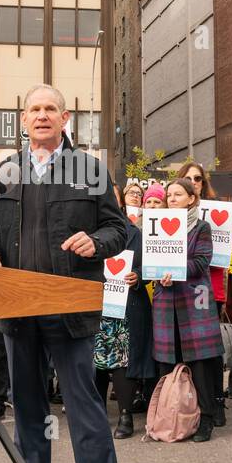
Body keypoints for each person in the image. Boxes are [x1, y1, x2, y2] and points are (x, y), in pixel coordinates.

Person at [0, 84, 129, 463]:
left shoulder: (90, 169)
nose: (42, 116)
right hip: (18, 308)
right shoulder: (6, 171)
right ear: (23, 119)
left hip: (69, 308)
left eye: (50, 109)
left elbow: (119, 228)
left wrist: (96, 243)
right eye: (34, 109)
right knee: (27, 411)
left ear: (65, 119)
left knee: (84, 411)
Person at [150, 177, 224, 441]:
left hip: (194, 300)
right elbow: (150, 260)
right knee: (167, 363)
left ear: (191, 198)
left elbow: (202, 261)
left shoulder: (201, 227)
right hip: (165, 300)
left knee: (199, 362)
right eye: (169, 195)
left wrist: (174, 270)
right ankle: (169, 417)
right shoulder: (154, 225)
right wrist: (154, 273)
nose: (171, 199)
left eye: (178, 194)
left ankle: (206, 418)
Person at [94, 183, 151, 439]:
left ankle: (125, 414)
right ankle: (95, 413)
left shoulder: (133, 232)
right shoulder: (85, 229)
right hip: (94, 304)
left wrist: (137, 275)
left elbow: (149, 265)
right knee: (93, 360)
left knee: (121, 360)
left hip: (124, 305)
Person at [178, 161, 228, 423]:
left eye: (198, 178)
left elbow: (213, 255)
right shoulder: (168, 213)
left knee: (210, 352)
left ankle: (216, 403)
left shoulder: (216, 210)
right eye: (188, 178)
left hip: (209, 285)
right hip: (179, 288)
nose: (193, 182)